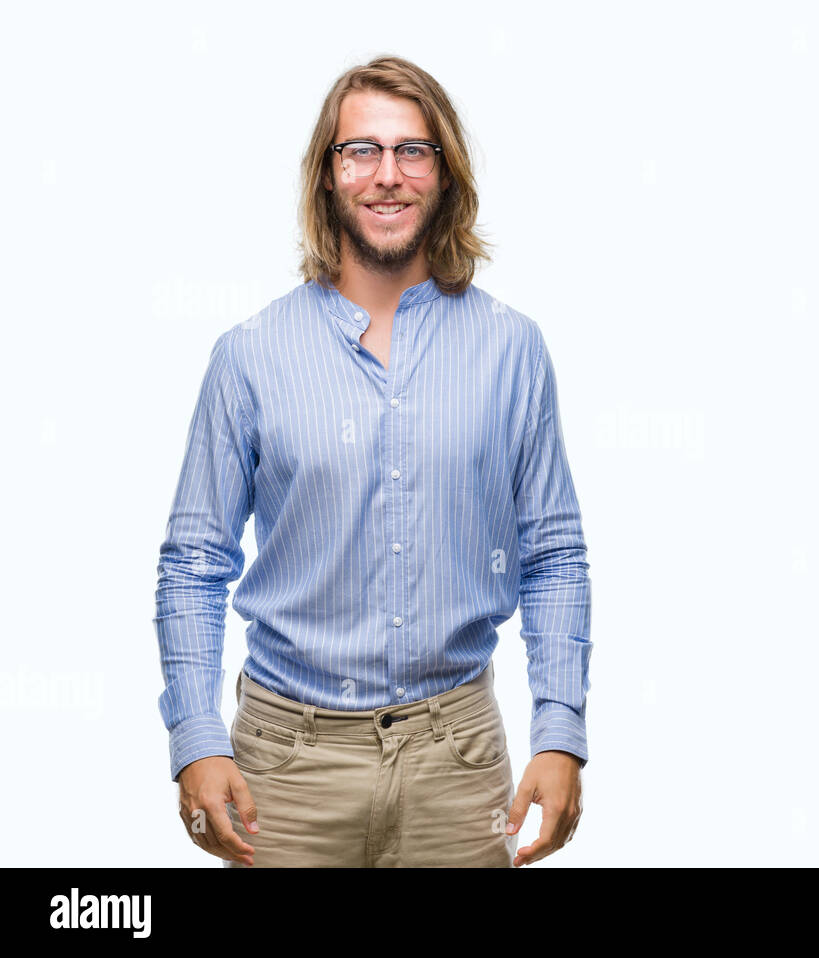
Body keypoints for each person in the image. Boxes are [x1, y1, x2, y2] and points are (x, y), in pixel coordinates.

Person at [153, 54, 591, 868]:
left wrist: (560, 731)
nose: (386, 175)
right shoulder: (249, 357)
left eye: (411, 151)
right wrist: (195, 737)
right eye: (362, 150)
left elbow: (555, 555)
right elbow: (193, 561)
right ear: (328, 175)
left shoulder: (513, 351)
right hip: (285, 772)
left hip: (459, 769)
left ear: (444, 172)